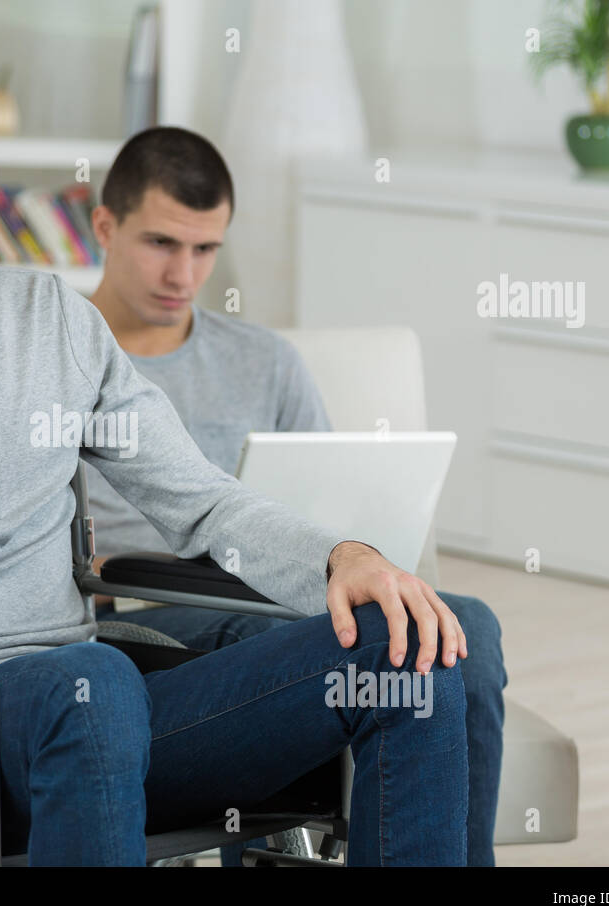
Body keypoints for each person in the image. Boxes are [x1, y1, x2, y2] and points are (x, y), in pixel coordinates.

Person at [0, 42, 471, 865]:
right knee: (95, 681)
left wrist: (344, 558)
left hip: (97, 723)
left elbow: (198, 497)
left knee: (416, 642)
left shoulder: (51, 315)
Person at [83, 127, 507, 866]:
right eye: (160, 243)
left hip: (284, 592)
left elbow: (331, 508)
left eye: (206, 249)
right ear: (105, 226)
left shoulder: (265, 361)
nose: (183, 272)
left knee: (464, 625)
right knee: (412, 641)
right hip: (152, 614)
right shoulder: (66, 355)